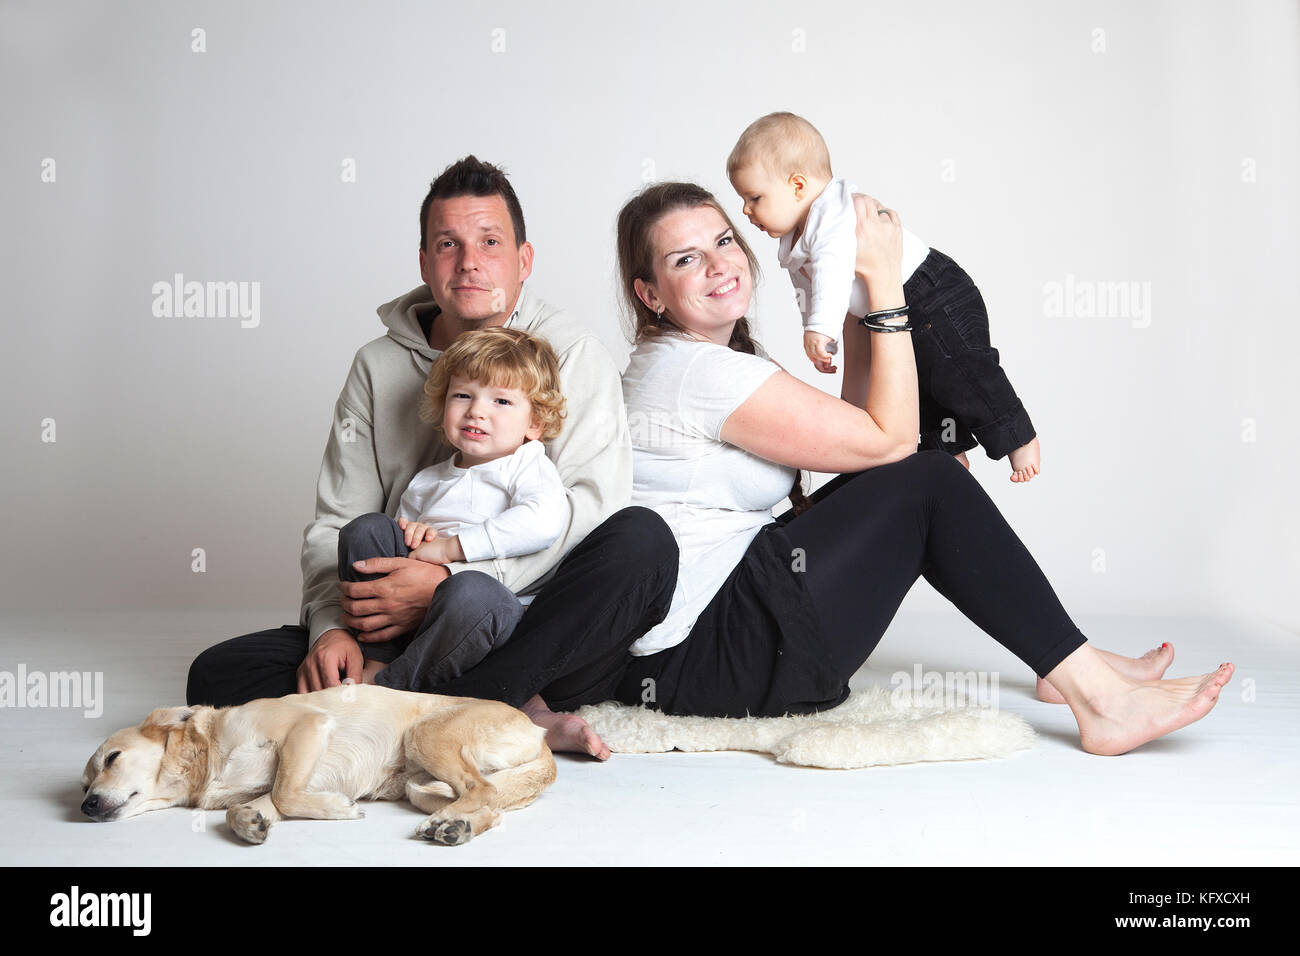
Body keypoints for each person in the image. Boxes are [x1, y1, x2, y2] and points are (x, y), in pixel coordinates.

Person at [416, 180, 1233, 758]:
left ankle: (1067, 661)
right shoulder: (693, 372)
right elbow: (888, 442)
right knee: (927, 478)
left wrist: (843, 294)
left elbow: (857, 434)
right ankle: (1096, 695)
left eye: (725, 242)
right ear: (650, 293)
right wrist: (881, 284)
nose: (720, 265)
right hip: (704, 653)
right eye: (685, 261)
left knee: (918, 470)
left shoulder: (706, 360)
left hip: (722, 616)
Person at [185, 156, 669, 757]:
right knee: (215, 674)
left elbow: (586, 518)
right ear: (424, 262)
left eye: (490, 242)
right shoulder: (376, 366)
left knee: (643, 542)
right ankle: (487, 708)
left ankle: (396, 711)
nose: (469, 262)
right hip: (397, 626)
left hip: (526, 621)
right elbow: (339, 522)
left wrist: (449, 579)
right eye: (448, 244)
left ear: (524, 261)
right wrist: (330, 630)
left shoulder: (573, 354)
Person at [727, 111, 1041, 482]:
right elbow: (808, 289)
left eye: (754, 197)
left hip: (932, 291)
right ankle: (947, 453)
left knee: (959, 370)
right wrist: (819, 334)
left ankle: (1017, 436)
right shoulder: (794, 239)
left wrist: (819, 328)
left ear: (797, 186)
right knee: (915, 383)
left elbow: (833, 270)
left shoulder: (833, 216)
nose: (745, 211)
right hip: (890, 308)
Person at [338, 327, 569, 691]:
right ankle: (376, 656)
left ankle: (390, 688)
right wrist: (414, 534)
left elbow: (542, 521)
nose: (477, 411)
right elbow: (405, 536)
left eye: (502, 401)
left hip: (484, 614)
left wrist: (450, 548)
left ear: (535, 423)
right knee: (366, 530)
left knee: (472, 591)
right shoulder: (427, 479)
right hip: (412, 608)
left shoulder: (527, 465)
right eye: (463, 395)